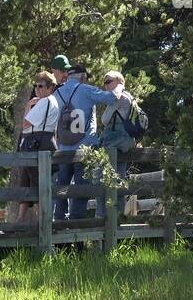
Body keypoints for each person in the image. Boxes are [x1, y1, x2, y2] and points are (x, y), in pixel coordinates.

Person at [49, 55, 124, 220]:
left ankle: (59, 223)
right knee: (81, 191)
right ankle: (77, 228)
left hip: (62, 151)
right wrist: (119, 86)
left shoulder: (56, 94)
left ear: (68, 76)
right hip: (84, 151)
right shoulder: (86, 90)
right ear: (83, 77)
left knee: (61, 189)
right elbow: (111, 98)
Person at [15, 71, 59, 223]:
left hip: (36, 144)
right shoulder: (51, 101)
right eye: (36, 86)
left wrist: (28, 105)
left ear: (50, 88)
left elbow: (26, 124)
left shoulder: (45, 102)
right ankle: (21, 219)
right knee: (27, 180)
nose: (37, 89)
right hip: (43, 142)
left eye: (41, 86)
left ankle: (43, 222)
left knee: (37, 183)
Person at [96, 71, 136, 218]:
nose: (106, 85)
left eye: (108, 81)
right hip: (123, 145)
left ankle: (103, 222)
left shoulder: (119, 98)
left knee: (103, 184)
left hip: (113, 145)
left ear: (119, 81)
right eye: (104, 82)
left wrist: (117, 88)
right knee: (118, 182)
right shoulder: (130, 97)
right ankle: (116, 221)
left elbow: (105, 119)